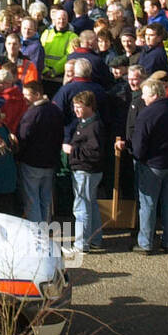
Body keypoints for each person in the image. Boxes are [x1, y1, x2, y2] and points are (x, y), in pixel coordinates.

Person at [130, 79, 168, 254]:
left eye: (145, 94)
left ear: (154, 95)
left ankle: (145, 243)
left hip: (152, 165)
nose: (143, 98)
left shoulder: (146, 114)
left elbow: (139, 145)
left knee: (148, 204)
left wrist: (137, 156)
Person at [16, 81, 64, 223]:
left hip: (32, 162)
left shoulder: (32, 113)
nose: (24, 98)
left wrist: (17, 152)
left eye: (27, 95)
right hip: (50, 162)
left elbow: (23, 137)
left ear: (37, 95)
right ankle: (45, 228)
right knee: (46, 199)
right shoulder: (55, 110)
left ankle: (36, 231)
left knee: (32, 199)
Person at [63, 91, 105, 253]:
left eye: (79, 107)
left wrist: (72, 150)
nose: (76, 110)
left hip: (86, 171)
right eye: (74, 107)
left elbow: (94, 152)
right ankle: (95, 239)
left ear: (90, 107)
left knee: (81, 208)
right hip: (89, 171)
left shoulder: (93, 126)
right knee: (91, 204)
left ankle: (81, 245)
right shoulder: (86, 122)